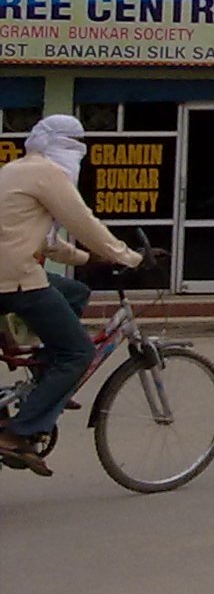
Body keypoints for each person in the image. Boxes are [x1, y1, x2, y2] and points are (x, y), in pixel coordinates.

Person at [0, 115, 143, 476]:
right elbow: (82, 220)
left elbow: (46, 241)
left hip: (10, 270)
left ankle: (46, 379)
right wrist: (128, 257)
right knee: (79, 352)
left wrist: (88, 259)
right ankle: (18, 433)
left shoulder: (16, 170)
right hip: (13, 278)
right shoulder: (45, 173)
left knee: (75, 291)